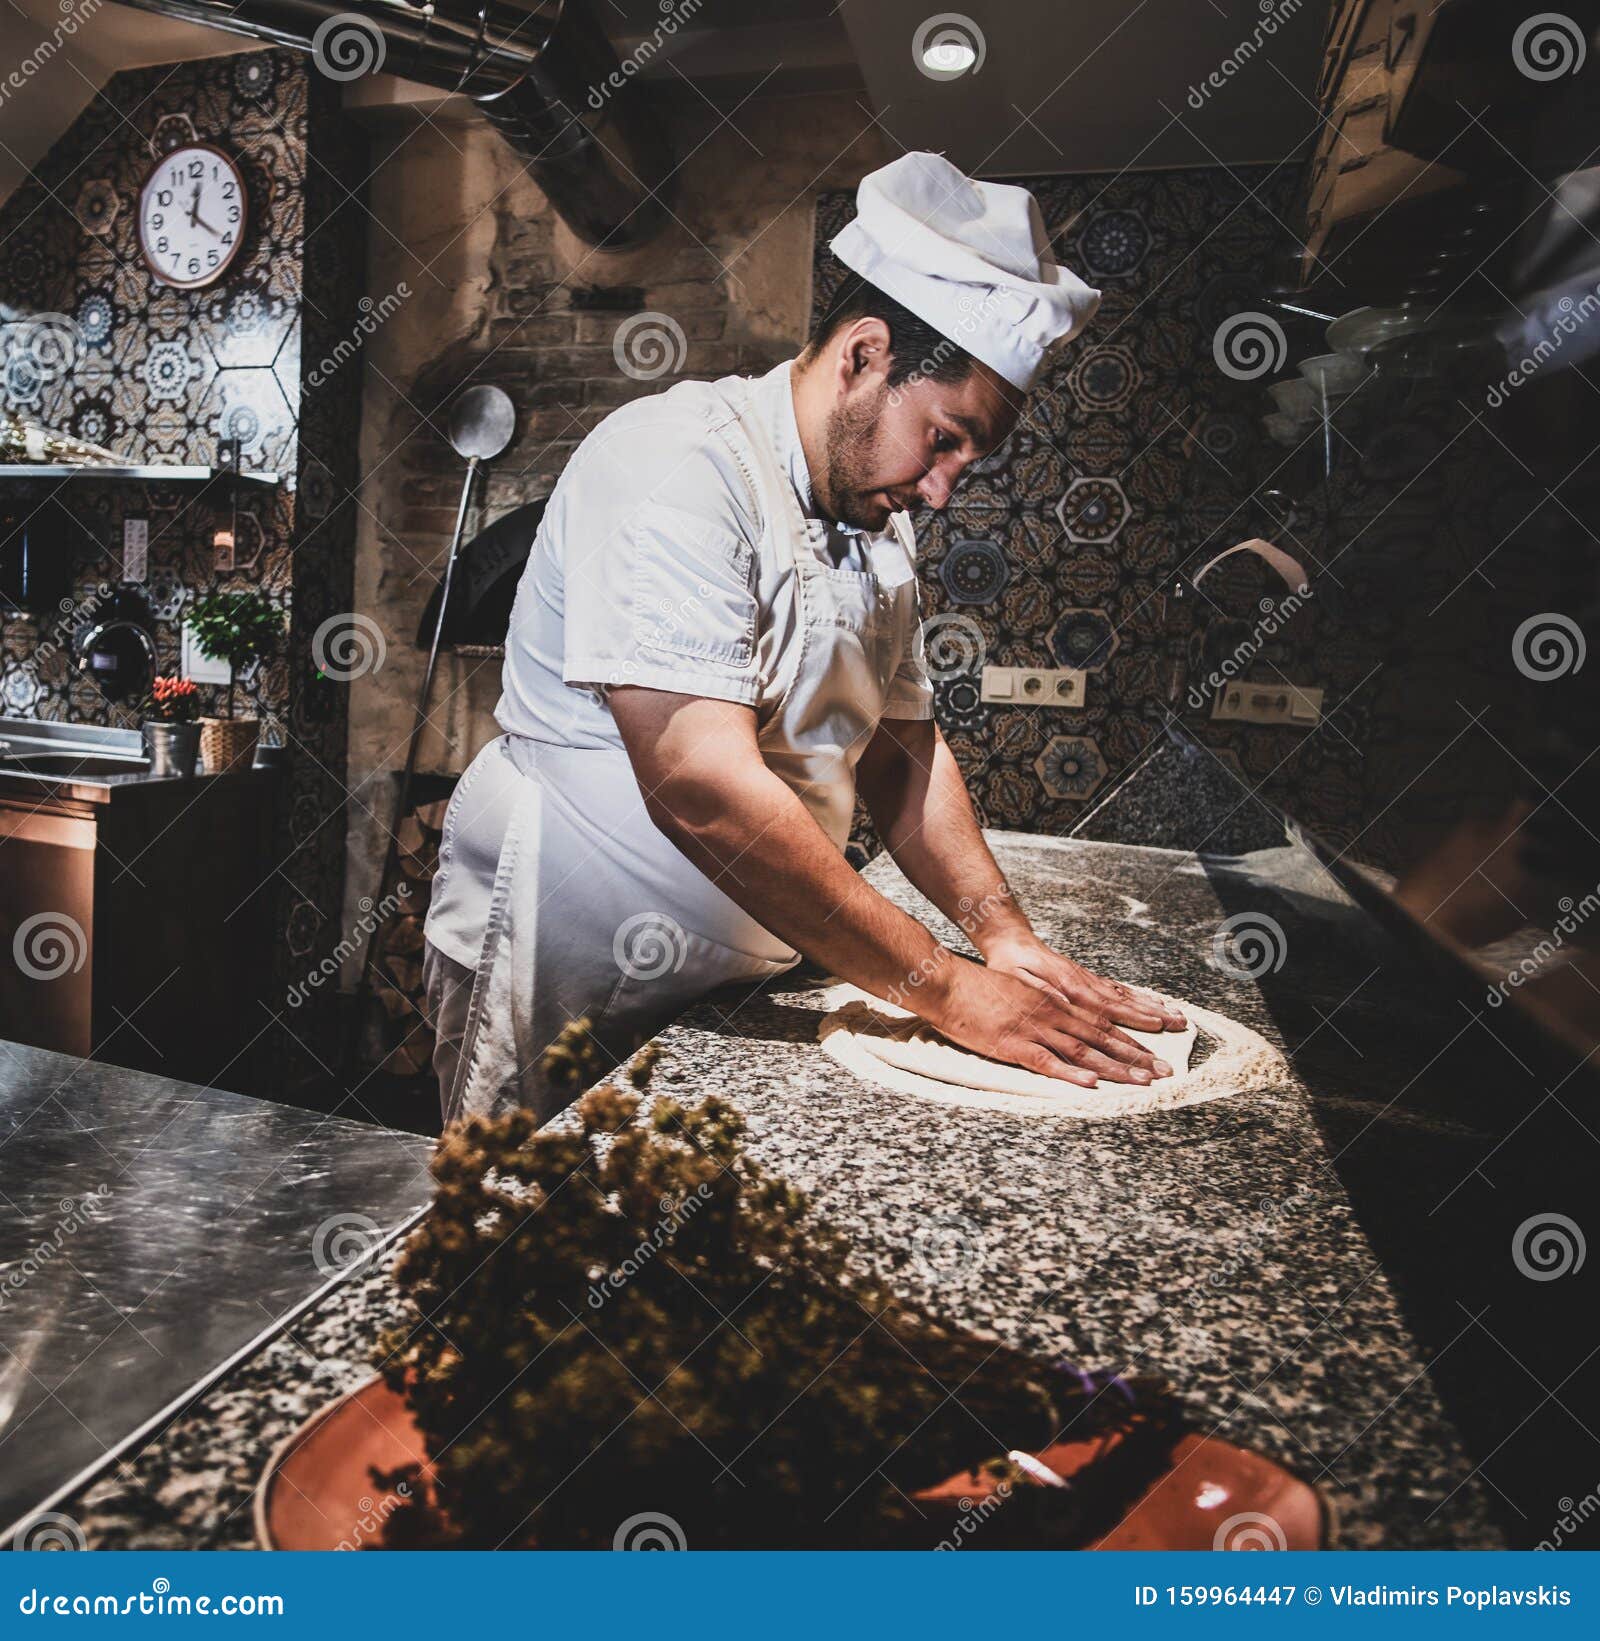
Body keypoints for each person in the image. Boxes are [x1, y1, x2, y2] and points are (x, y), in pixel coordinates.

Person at [422, 151, 1187, 1127]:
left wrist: (1002, 935)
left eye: (970, 457)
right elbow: (701, 788)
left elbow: (902, 752)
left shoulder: (878, 527)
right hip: (567, 959)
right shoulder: (678, 463)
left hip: (741, 977)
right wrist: (947, 987)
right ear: (865, 355)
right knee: (525, 1211)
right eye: (943, 438)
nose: (942, 489)